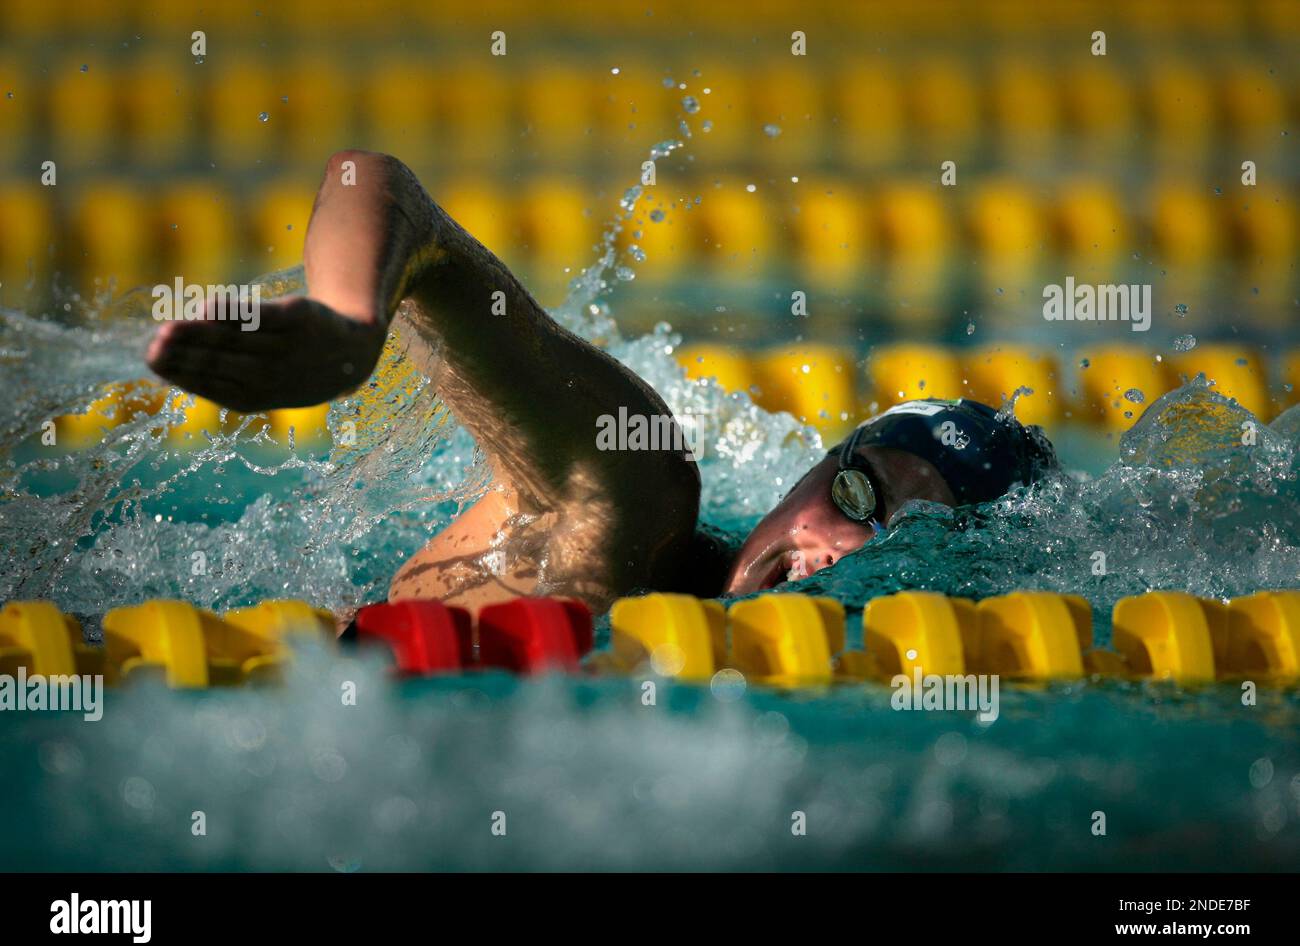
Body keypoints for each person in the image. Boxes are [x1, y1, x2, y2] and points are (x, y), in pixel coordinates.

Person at [145, 151, 1058, 617]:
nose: (847, 552)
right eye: (859, 494)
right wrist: (348, 325)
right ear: (810, 471)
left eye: (914, 554)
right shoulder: (635, 496)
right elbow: (374, 181)